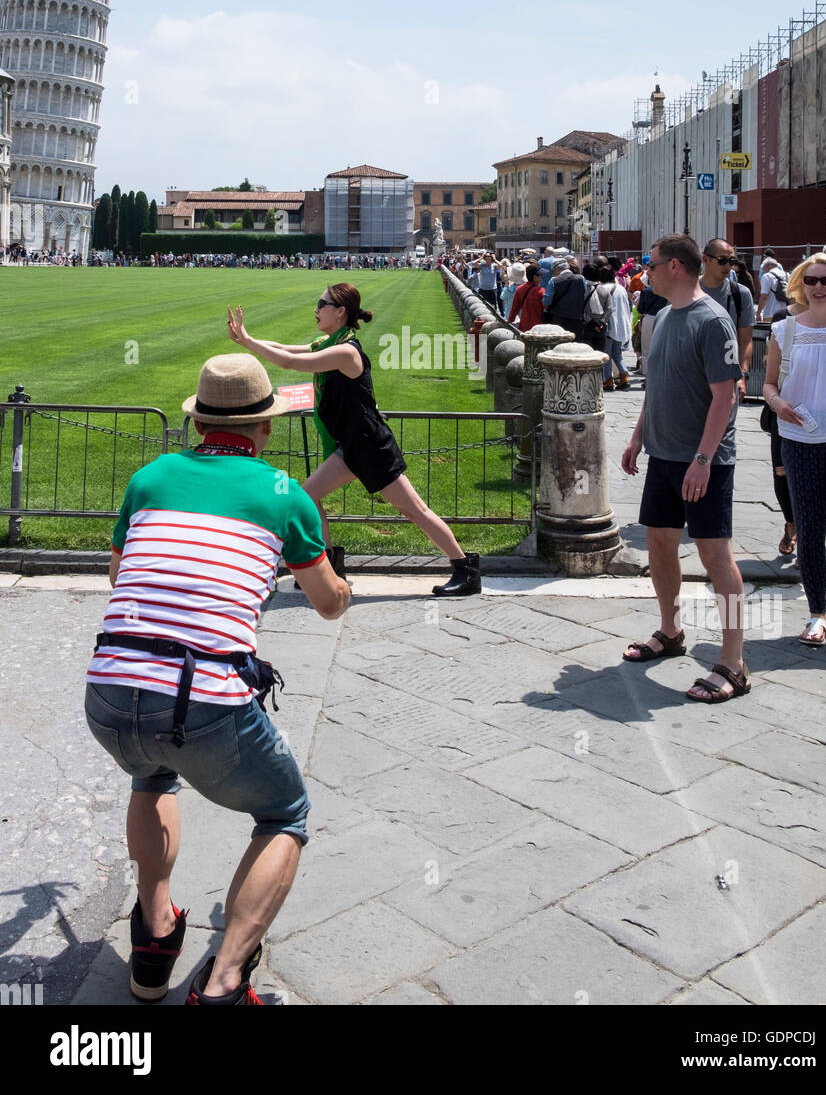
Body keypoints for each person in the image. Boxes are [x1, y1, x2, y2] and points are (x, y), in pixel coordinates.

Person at [84, 354, 351, 1005]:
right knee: (284, 810)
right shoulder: (283, 493)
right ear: (266, 428)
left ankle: (153, 933)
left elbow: (121, 576)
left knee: (151, 772)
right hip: (203, 701)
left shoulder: (148, 479)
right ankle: (227, 977)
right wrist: (340, 584)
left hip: (111, 690)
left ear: (199, 422)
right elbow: (326, 601)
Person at [227, 284, 481, 597]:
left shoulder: (346, 351)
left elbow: (289, 363)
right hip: (352, 444)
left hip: (369, 444)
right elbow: (286, 348)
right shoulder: (328, 343)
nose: (317, 309)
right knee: (306, 497)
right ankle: (331, 570)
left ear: (341, 311)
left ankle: (465, 570)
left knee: (414, 509)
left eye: (323, 303)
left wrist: (249, 342)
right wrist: (244, 339)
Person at [621, 234, 748, 703]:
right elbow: (657, 386)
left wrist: (703, 459)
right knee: (659, 542)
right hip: (664, 455)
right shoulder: (667, 316)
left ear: (674, 266)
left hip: (703, 461)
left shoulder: (712, 320)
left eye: (651, 264)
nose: (645, 271)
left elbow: (726, 396)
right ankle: (671, 631)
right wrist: (638, 436)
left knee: (716, 557)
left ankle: (733, 663)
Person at [763, 253, 826, 646]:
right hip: (800, 441)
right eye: (811, 280)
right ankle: (816, 614)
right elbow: (769, 383)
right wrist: (778, 404)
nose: (818, 286)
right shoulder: (784, 330)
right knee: (809, 529)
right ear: (800, 286)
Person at [700, 238, 755, 403]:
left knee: (725, 427)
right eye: (722, 260)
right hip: (692, 375)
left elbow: (745, 340)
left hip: (726, 377)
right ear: (705, 259)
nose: (727, 266)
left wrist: (742, 375)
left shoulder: (740, 294)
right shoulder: (688, 290)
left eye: (731, 261)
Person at [603, 264, 633, 390]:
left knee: (607, 354)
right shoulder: (620, 288)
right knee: (617, 353)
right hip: (621, 325)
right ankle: (624, 375)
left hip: (609, 325)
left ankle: (608, 380)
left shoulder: (603, 288)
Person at [547, 258, 587, 338]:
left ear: (556, 268)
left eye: (552, 271)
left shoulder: (553, 281)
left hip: (559, 319)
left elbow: (546, 302)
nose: (552, 273)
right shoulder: (581, 278)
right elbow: (584, 296)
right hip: (577, 319)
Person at [508, 262, 545, 330]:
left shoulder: (519, 289)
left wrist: (510, 320)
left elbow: (514, 308)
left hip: (524, 325)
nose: (542, 277)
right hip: (538, 327)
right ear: (535, 277)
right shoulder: (541, 291)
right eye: (540, 275)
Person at [757, 251, 789, 321]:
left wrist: (758, 313)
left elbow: (764, 296)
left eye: (763, 268)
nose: (763, 270)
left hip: (770, 314)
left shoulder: (767, 276)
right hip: (785, 313)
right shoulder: (787, 275)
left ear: (767, 266)